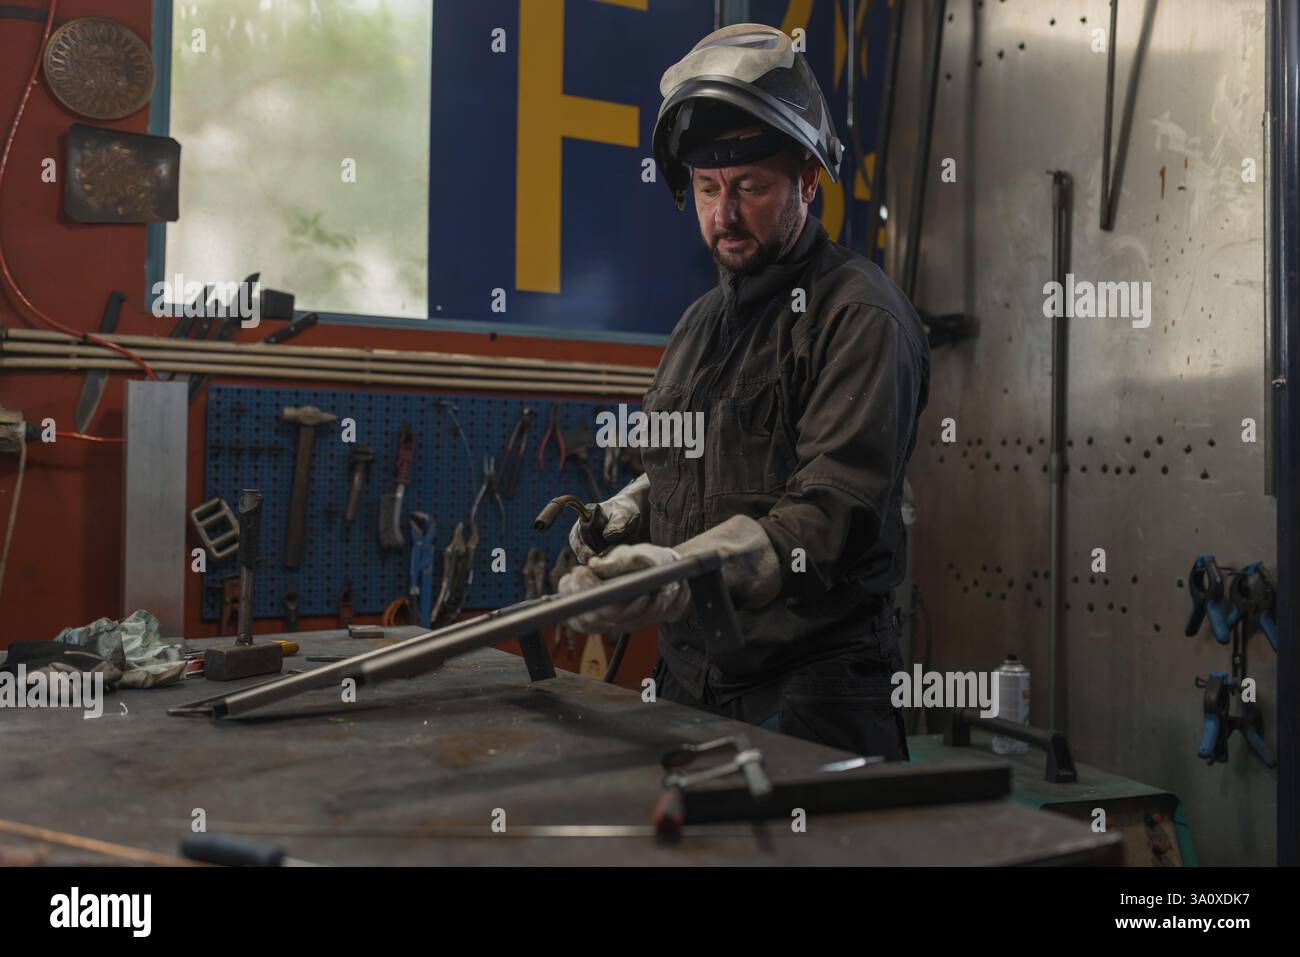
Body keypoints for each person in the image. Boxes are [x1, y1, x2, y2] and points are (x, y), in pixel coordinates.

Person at [558, 23, 930, 759]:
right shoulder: (701, 323)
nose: (724, 214)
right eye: (706, 189)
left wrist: (679, 572)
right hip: (691, 680)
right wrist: (628, 516)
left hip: (813, 696)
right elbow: (686, 460)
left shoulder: (857, 315)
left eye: (751, 187)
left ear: (807, 181)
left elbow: (826, 519)